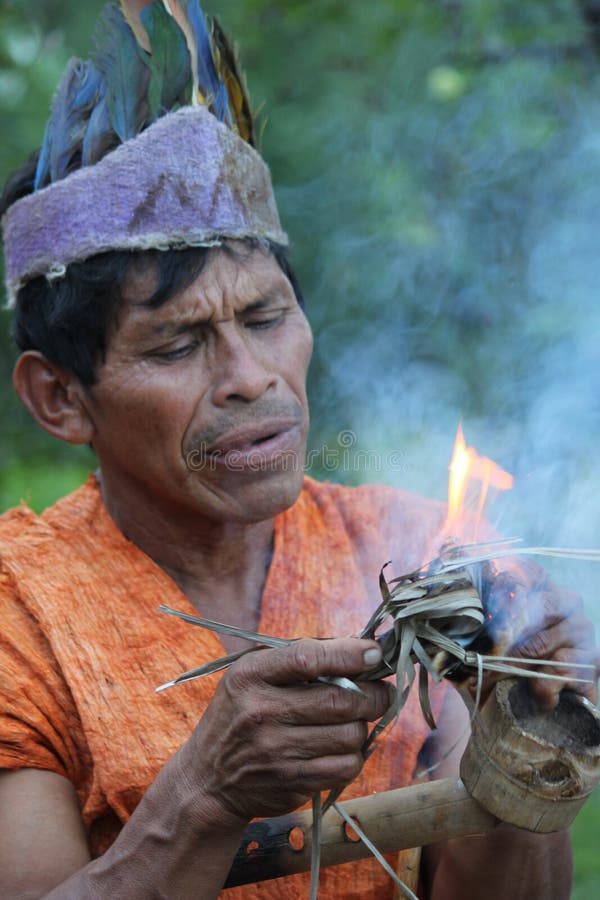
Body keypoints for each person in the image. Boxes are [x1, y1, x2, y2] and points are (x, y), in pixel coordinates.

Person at [0, 3, 597, 898]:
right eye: (175, 345)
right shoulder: (19, 615)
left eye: (268, 317)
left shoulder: (425, 552)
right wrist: (204, 796)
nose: (251, 378)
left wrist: (524, 738)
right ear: (59, 397)